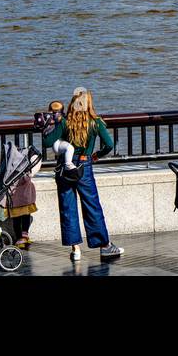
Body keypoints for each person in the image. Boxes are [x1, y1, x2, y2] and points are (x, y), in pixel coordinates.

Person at [42, 89, 123, 262]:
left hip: (65, 167)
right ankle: (104, 246)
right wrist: (96, 155)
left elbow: (47, 142)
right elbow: (109, 144)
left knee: (67, 207)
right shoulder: (95, 122)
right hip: (84, 167)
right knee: (92, 206)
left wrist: (53, 123)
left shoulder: (65, 122)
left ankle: (76, 249)